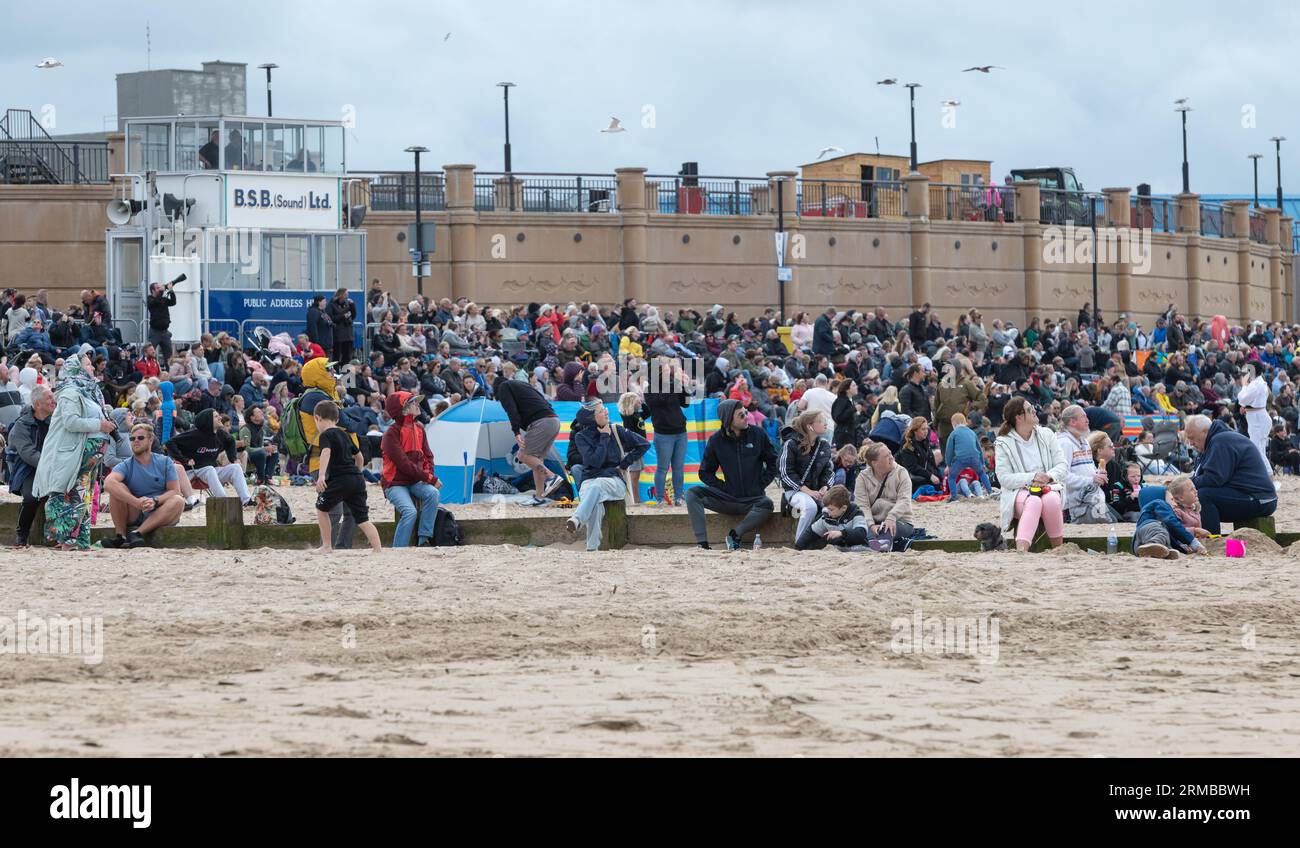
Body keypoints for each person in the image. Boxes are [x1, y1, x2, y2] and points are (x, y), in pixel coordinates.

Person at [32, 354, 116, 551]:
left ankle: (79, 540)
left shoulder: (89, 390)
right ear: (76, 368)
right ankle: (66, 540)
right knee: (70, 494)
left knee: (83, 494)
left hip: (91, 450)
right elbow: (71, 422)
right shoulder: (70, 392)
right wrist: (100, 425)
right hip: (72, 451)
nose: (92, 368)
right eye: (88, 365)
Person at [688, 398, 778, 550]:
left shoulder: (758, 434)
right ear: (729, 419)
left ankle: (735, 535)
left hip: (753, 499)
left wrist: (760, 483)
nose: (746, 417)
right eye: (741, 415)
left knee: (768, 504)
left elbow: (773, 462)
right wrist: (724, 487)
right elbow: (705, 473)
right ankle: (702, 544)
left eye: (746, 413)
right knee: (692, 493)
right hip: (727, 498)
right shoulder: (716, 440)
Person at [565, 402, 649, 551]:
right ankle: (592, 548)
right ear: (592, 418)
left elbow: (644, 444)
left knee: (598, 485)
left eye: (605, 408)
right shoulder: (581, 437)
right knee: (594, 501)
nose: (606, 412)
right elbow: (595, 462)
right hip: (589, 479)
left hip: (614, 481)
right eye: (601, 411)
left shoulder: (616, 429)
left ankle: (577, 519)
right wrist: (604, 437)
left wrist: (624, 464)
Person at [994, 396, 1068, 551]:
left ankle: (1058, 550)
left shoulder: (1047, 434)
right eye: (1030, 410)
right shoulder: (1003, 442)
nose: (1035, 411)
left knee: (1052, 501)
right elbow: (1004, 478)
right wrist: (1032, 477)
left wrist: (1048, 476)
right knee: (1033, 501)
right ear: (1019, 417)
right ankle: (1022, 552)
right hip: (1018, 491)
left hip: (1048, 485)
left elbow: (1062, 465)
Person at [1184, 414, 1277, 535]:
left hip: (1260, 499)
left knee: (1204, 496)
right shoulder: (1214, 442)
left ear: (1205, 431)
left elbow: (1214, 479)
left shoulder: (1221, 441)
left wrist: (1186, 484)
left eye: (1192, 438)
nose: (1191, 443)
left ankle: (1211, 539)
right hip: (1248, 494)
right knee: (1194, 496)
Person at [312, 400, 382, 553]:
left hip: (340, 480)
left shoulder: (325, 435)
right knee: (363, 519)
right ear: (337, 419)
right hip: (356, 479)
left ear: (317, 418)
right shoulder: (345, 434)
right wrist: (356, 473)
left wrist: (322, 475)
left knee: (321, 508)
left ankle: (326, 546)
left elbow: (325, 452)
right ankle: (377, 549)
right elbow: (360, 458)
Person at [103, 422, 185, 548]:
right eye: (132, 438)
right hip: (135, 511)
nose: (135, 441)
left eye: (140, 438)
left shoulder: (165, 461)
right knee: (116, 488)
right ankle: (121, 536)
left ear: (151, 440)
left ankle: (137, 533)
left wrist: (155, 501)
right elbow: (108, 483)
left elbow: (174, 491)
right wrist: (136, 502)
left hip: (160, 510)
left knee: (178, 500)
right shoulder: (126, 464)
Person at [380, 391, 441, 548]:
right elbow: (403, 464)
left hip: (414, 480)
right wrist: (430, 479)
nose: (418, 404)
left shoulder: (419, 428)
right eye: (413, 402)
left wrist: (429, 476)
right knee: (410, 511)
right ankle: (398, 549)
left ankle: (424, 539)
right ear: (403, 408)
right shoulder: (391, 433)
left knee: (433, 494)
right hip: (394, 483)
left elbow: (428, 456)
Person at [494, 375, 563, 504]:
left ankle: (551, 477)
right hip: (554, 420)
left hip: (541, 422)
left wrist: (516, 432)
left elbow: (511, 410)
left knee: (523, 455)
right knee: (537, 460)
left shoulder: (504, 387)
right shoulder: (522, 385)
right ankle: (539, 497)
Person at [165, 408, 253, 505]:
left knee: (235, 468)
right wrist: (184, 460)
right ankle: (223, 501)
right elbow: (170, 443)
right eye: (216, 416)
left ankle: (246, 500)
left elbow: (231, 441)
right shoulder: (194, 434)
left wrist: (233, 458)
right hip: (192, 472)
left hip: (210, 472)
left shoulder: (220, 434)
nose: (220, 418)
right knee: (209, 469)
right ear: (208, 420)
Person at [6, 384, 54, 548]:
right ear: (38, 404)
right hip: (29, 468)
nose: (53, 400)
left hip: (53, 466)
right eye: (49, 397)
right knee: (31, 498)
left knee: (63, 495)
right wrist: (51, 465)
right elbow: (28, 453)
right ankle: (22, 535)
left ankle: (60, 536)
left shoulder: (55, 421)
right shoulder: (22, 424)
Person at [778, 410, 835, 542]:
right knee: (810, 507)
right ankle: (800, 542)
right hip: (795, 491)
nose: (825, 424)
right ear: (810, 426)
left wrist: (825, 487)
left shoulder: (824, 445)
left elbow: (830, 471)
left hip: (817, 491)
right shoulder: (791, 444)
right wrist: (808, 491)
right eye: (821, 421)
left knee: (836, 505)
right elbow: (785, 473)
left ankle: (833, 541)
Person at [644, 360, 692, 506]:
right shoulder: (650, 390)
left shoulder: (673, 385)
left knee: (678, 468)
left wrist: (685, 386)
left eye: (668, 371)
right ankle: (659, 499)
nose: (668, 373)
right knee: (663, 468)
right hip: (663, 435)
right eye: (665, 371)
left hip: (681, 432)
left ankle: (678, 497)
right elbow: (661, 401)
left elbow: (686, 403)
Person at [1131, 478, 1210, 559]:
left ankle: (1164, 551)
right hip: (1148, 531)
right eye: (1172, 498)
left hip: (1144, 541)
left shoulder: (1193, 510)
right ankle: (1152, 545)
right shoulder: (1160, 503)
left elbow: (1174, 533)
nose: (1175, 502)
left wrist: (1182, 548)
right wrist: (1194, 543)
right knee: (1161, 533)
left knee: (1167, 538)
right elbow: (1172, 524)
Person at [1057, 404, 1109, 523]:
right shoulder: (1064, 443)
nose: (1087, 420)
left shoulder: (1084, 441)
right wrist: (1092, 479)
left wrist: (1098, 473)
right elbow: (1062, 477)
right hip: (1077, 506)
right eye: (1083, 417)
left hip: (1093, 499)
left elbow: (1088, 470)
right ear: (1072, 421)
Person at [852, 442, 915, 540]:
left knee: (887, 531)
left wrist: (891, 517)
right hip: (873, 521)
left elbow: (904, 500)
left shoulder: (901, 473)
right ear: (875, 463)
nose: (891, 457)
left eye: (890, 453)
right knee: (858, 531)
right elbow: (862, 505)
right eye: (886, 456)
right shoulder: (863, 477)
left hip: (899, 520)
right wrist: (871, 525)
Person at [794, 484, 874, 551]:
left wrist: (841, 533)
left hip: (858, 548)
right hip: (837, 551)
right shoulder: (826, 517)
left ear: (843, 508)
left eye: (831, 509)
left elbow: (861, 533)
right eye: (827, 508)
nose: (828, 512)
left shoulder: (856, 513)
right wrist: (798, 548)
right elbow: (811, 533)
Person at [944, 412, 993, 501]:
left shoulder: (954, 434)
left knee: (951, 477)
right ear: (965, 422)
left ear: (953, 424)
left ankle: (954, 497)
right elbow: (979, 449)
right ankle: (990, 492)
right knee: (982, 473)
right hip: (974, 458)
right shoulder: (972, 432)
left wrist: (949, 464)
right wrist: (982, 463)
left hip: (960, 459)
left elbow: (949, 451)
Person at [1237, 364, 1272, 470]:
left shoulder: (1255, 384)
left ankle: (1269, 477)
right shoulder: (1259, 382)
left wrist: (1243, 385)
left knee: (1257, 450)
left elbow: (1242, 399)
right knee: (1260, 449)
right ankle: (1267, 478)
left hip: (1258, 419)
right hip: (1258, 416)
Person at [146, 280, 177, 359]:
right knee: (149, 353)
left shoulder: (163, 299)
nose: (159, 289)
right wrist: (162, 291)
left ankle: (169, 370)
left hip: (165, 332)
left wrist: (171, 291)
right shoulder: (150, 299)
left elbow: (173, 302)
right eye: (157, 288)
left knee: (169, 357)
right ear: (153, 290)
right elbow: (155, 302)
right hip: (154, 332)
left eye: (160, 287)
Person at [328, 288, 357, 366]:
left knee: (347, 356)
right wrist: (343, 316)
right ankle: (336, 373)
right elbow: (331, 318)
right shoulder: (332, 305)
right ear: (340, 295)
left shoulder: (348, 304)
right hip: (338, 335)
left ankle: (346, 375)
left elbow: (353, 316)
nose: (347, 296)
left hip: (348, 334)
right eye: (345, 294)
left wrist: (352, 306)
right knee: (337, 356)